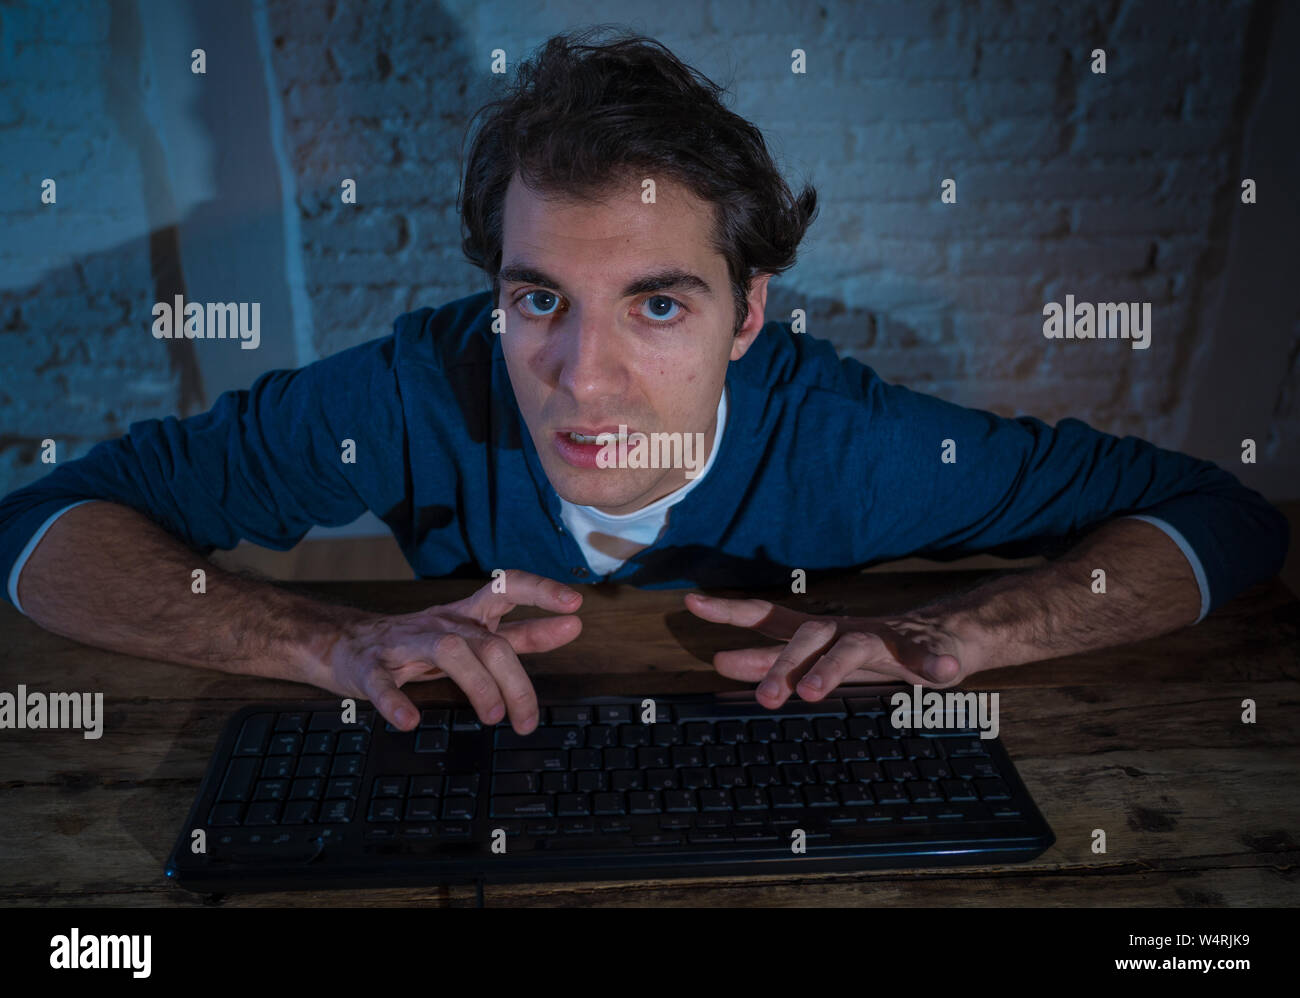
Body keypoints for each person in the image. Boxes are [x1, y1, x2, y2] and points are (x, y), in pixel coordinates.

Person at [0, 30, 1287, 736]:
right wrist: (323, 640)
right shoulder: (414, 390)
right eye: (538, 297)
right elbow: (43, 526)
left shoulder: (855, 446)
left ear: (747, 316)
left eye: (658, 303)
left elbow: (1221, 518)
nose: (583, 377)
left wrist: (959, 635)